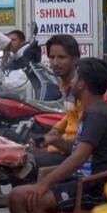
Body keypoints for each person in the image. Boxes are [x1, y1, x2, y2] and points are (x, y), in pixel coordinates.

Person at [9, 58, 107, 213]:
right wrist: (52, 141)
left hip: (90, 188)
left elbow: (78, 158)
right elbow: (77, 148)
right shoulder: (90, 110)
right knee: (16, 197)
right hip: (80, 181)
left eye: (76, 75)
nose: (73, 79)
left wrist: (44, 184)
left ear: (82, 84)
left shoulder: (98, 114)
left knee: (34, 200)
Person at [35, 35, 82, 169]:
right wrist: (54, 131)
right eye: (51, 57)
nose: (55, 63)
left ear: (75, 59)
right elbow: (70, 116)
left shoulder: (81, 88)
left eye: (61, 57)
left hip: (73, 151)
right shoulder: (64, 84)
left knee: (26, 163)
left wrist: (54, 140)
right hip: (62, 146)